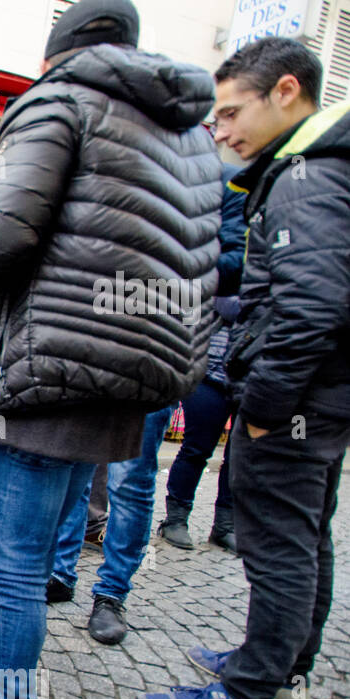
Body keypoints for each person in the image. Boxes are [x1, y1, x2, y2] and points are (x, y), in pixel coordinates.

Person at [0, 0, 221, 699]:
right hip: (121, 386)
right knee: (36, 558)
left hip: (36, 375)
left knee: (11, 570)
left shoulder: (60, 99)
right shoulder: (188, 134)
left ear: (60, 53)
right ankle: (7, 676)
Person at [141, 37, 350, 699]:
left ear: (286, 92)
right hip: (321, 402)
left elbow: (311, 307)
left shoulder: (306, 178)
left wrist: (262, 407)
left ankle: (247, 698)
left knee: (280, 549)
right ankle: (285, 670)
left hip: (293, 406)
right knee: (306, 538)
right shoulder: (314, 170)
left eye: (232, 112)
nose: (221, 129)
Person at [158, 165, 248, 553]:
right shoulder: (223, 252)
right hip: (210, 366)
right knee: (197, 447)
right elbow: (226, 302)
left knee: (239, 456)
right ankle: (176, 517)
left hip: (251, 370)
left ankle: (225, 523)